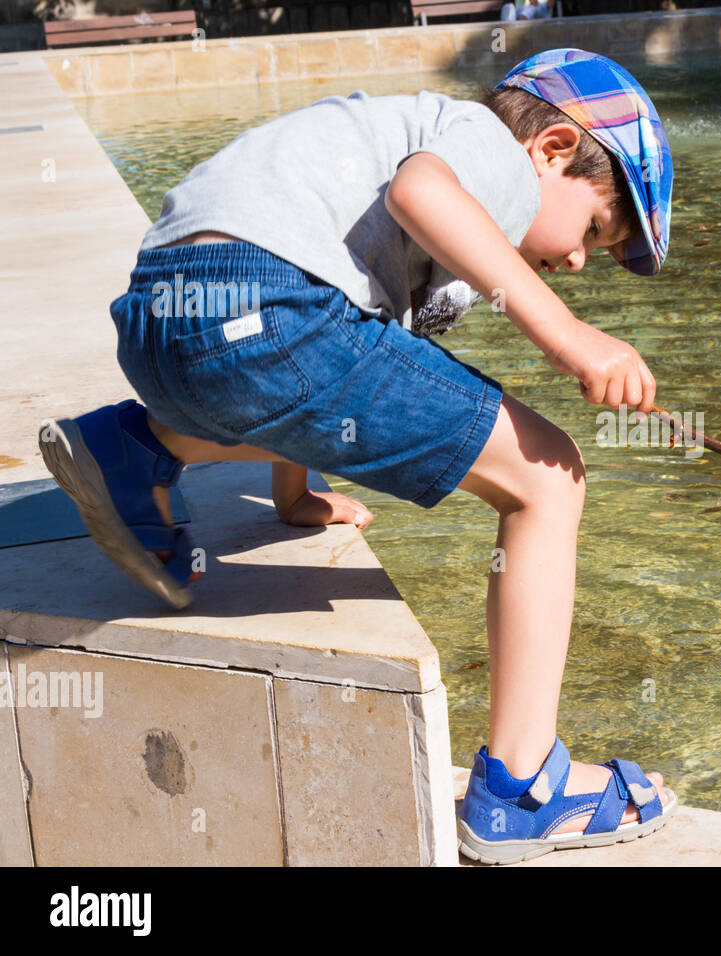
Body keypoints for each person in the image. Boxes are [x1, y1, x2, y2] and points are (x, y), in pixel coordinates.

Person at [38, 48, 676, 864]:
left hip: (167, 319)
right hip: (270, 309)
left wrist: (294, 500)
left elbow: (325, 351)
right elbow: (421, 194)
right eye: (594, 227)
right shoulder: (487, 147)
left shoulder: (390, 137)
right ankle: (524, 787)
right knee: (549, 476)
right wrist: (569, 335)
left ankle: (127, 445)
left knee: (300, 370)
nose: (581, 259)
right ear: (552, 148)